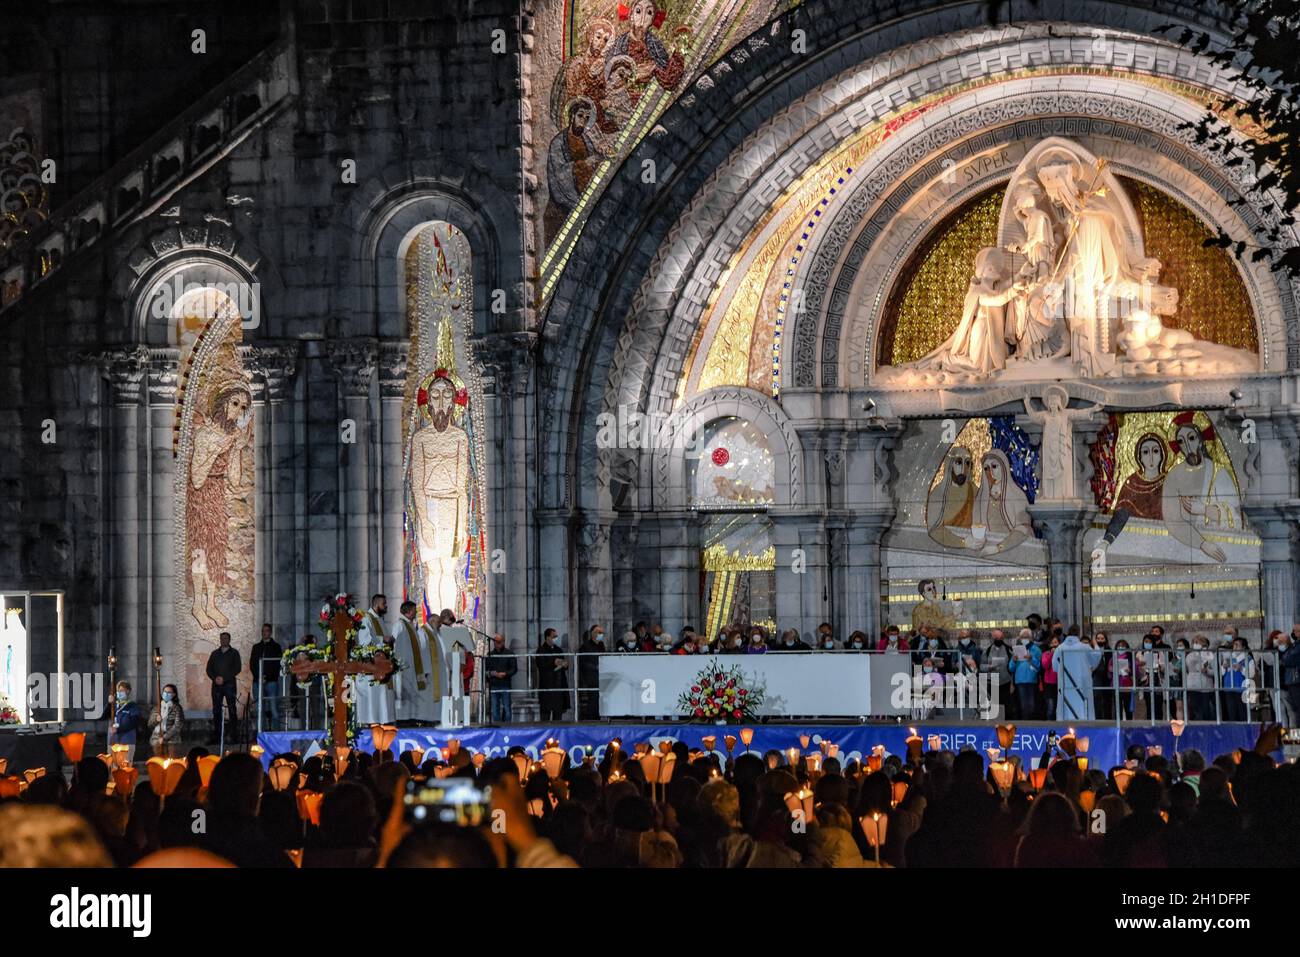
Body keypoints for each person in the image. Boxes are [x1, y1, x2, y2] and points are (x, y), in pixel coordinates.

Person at [1055, 626, 1102, 721]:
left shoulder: (1060, 648)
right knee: (1082, 707)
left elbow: (1055, 666)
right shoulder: (1084, 647)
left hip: (1066, 683)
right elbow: (1096, 656)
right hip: (1081, 683)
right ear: (1078, 634)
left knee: (1066, 707)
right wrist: (1095, 644)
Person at [205, 632, 241, 744]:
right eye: (222, 638)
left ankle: (233, 736)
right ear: (220, 640)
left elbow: (237, 668)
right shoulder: (214, 654)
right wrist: (215, 678)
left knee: (232, 709)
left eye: (226, 638)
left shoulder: (234, 653)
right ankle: (218, 736)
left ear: (229, 640)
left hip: (229, 685)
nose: (224, 640)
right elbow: (208, 669)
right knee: (216, 710)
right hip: (216, 686)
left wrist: (224, 678)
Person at [248, 623, 282, 731]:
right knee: (259, 709)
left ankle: (276, 734)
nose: (264, 633)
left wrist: (266, 677)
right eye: (263, 631)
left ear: (270, 632)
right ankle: (261, 733)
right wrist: (259, 676)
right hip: (258, 681)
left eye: (266, 631)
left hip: (271, 681)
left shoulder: (276, 647)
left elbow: (277, 664)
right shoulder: (256, 647)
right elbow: (252, 664)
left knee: (273, 708)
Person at [536, 629, 570, 721]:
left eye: (556, 636)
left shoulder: (558, 650)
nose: (556, 638)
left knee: (558, 715)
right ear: (547, 637)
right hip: (547, 687)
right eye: (554, 636)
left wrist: (565, 664)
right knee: (545, 716)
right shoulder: (541, 650)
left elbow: (563, 663)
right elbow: (541, 665)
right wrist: (553, 662)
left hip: (558, 687)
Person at [485, 633, 518, 724]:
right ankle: (497, 726)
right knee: (495, 707)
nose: (497, 644)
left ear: (503, 642)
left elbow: (514, 669)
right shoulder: (490, 654)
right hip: (494, 683)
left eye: (499, 642)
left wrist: (505, 674)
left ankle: (508, 726)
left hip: (505, 683)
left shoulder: (509, 653)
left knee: (507, 706)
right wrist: (492, 675)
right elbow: (486, 669)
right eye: (495, 642)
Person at [110, 681, 144, 763]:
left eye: (121, 691)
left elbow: (133, 722)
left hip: (127, 738)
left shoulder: (133, 706)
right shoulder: (114, 705)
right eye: (118, 691)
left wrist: (119, 729)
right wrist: (109, 703)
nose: (119, 693)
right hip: (115, 738)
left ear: (128, 691)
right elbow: (103, 716)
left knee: (126, 763)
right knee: (114, 763)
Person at [148, 683, 185, 758]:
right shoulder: (156, 708)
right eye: (165, 692)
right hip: (156, 739)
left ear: (174, 694)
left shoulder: (177, 708)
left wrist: (164, 737)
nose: (166, 694)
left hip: (172, 740)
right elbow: (150, 724)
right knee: (159, 762)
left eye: (169, 692)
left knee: (171, 762)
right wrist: (156, 720)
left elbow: (178, 725)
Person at [1011, 629, 1041, 719]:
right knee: (1023, 706)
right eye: (1023, 637)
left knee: (1032, 706)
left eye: (1027, 637)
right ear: (1020, 638)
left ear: (1031, 638)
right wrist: (1013, 661)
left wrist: (1031, 659)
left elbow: (1039, 667)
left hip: (1032, 680)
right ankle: (1025, 725)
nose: (1025, 639)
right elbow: (1011, 668)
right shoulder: (1016, 649)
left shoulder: (1036, 650)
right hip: (1020, 681)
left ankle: (1032, 725)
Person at [1279, 627, 1300, 728]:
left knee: (1296, 709)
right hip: (1291, 681)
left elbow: (1288, 660)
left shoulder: (1298, 646)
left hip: (1296, 680)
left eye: (1295, 631)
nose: (1293, 633)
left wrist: (1285, 660)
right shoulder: (1295, 645)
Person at [1091, 631, 1113, 719]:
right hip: (1096, 678)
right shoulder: (1092, 650)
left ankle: (1108, 719)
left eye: (1102, 638)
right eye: (1098, 638)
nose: (1100, 640)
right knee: (1097, 701)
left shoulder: (1109, 650)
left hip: (1107, 678)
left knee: (1107, 701)